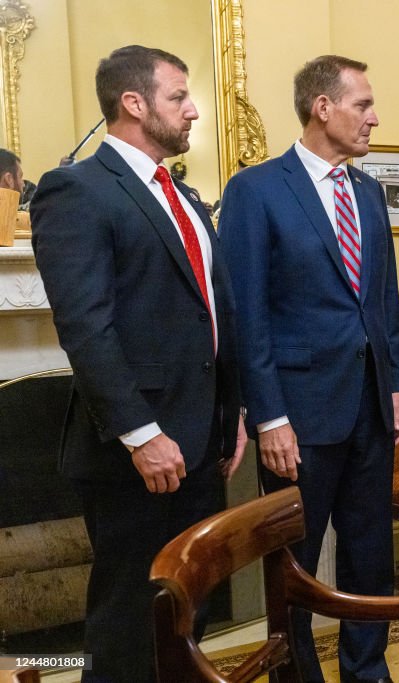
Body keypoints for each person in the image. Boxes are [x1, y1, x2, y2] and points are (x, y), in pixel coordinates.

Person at [30, 45, 246, 683]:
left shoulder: (183, 194)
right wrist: (142, 434)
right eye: (178, 97)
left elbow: (211, 311)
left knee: (185, 614)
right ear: (134, 103)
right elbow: (86, 327)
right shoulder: (77, 189)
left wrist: (232, 410)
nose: (193, 110)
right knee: (128, 625)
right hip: (135, 453)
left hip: (202, 441)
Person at [218, 55, 399, 683]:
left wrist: (397, 383)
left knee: (370, 558)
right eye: (363, 105)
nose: (374, 118)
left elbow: (383, 299)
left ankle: (367, 671)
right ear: (322, 107)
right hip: (298, 417)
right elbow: (247, 315)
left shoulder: (369, 192)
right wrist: (268, 415)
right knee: (294, 564)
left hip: (371, 409)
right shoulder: (256, 190)